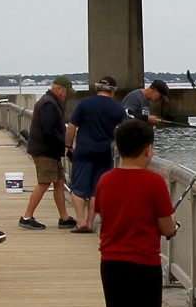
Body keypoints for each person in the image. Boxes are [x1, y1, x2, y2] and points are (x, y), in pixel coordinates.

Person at [96, 117, 177, 307]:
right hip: (142, 266)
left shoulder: (105, 180)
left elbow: (104, 213)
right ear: (148, 150)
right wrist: (172, 229)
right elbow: (166, 226)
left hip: (111, 265)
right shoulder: (153, 182)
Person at [65, 76, 127, 234]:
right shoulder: (118, 109)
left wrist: (68, 146)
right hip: (104, 152)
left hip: (83, 151)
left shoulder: (85, 104)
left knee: (78, 187)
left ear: (97, 88)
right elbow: (125, 130)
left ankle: (81, 222)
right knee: (97, 190)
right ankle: (91, 223)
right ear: (113, 91)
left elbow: (71, 127)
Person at [22, 76, 75, 229]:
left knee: (59, 182)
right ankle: (27, 216)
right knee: (44, 183)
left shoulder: (49, 102)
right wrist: (65, 144)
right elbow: (49, 131)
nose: (66, 95)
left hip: (51, 152)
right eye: (65, 92)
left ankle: (64, 217)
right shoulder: (48, 104)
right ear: (59, 89)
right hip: (45, 151)